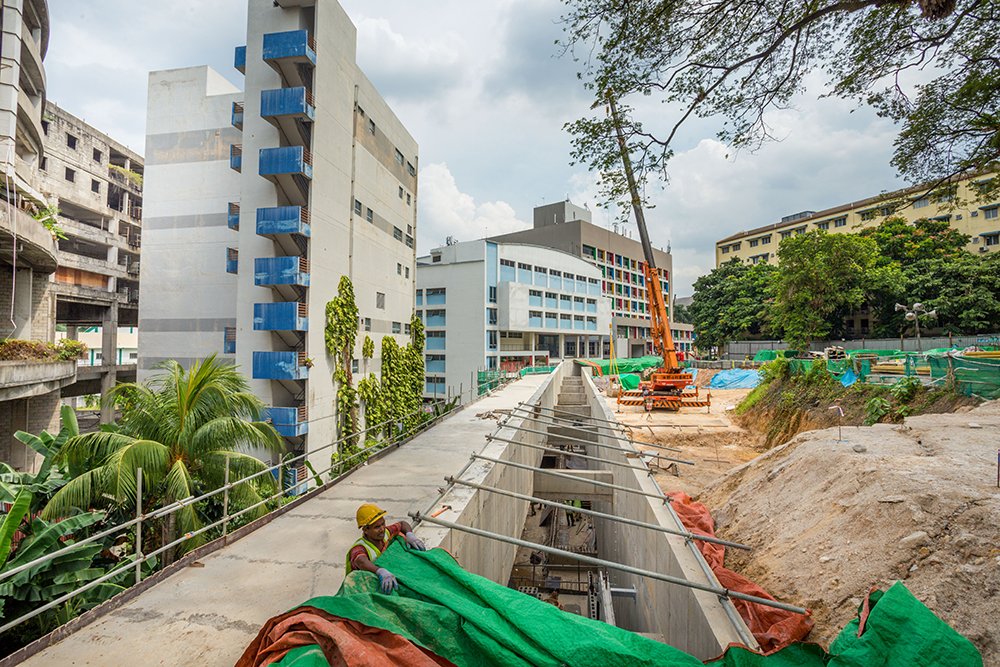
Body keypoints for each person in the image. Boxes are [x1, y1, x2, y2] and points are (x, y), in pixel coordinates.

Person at [346, 503, 426, 593]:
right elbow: (361, 561)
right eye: (377, 527)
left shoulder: (385, 533)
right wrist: (380, 571)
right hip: (360, 587)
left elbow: (402, 524)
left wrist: (410, 534)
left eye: (383, 523)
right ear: (366, 530)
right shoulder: (360, 547)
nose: (382, 529)